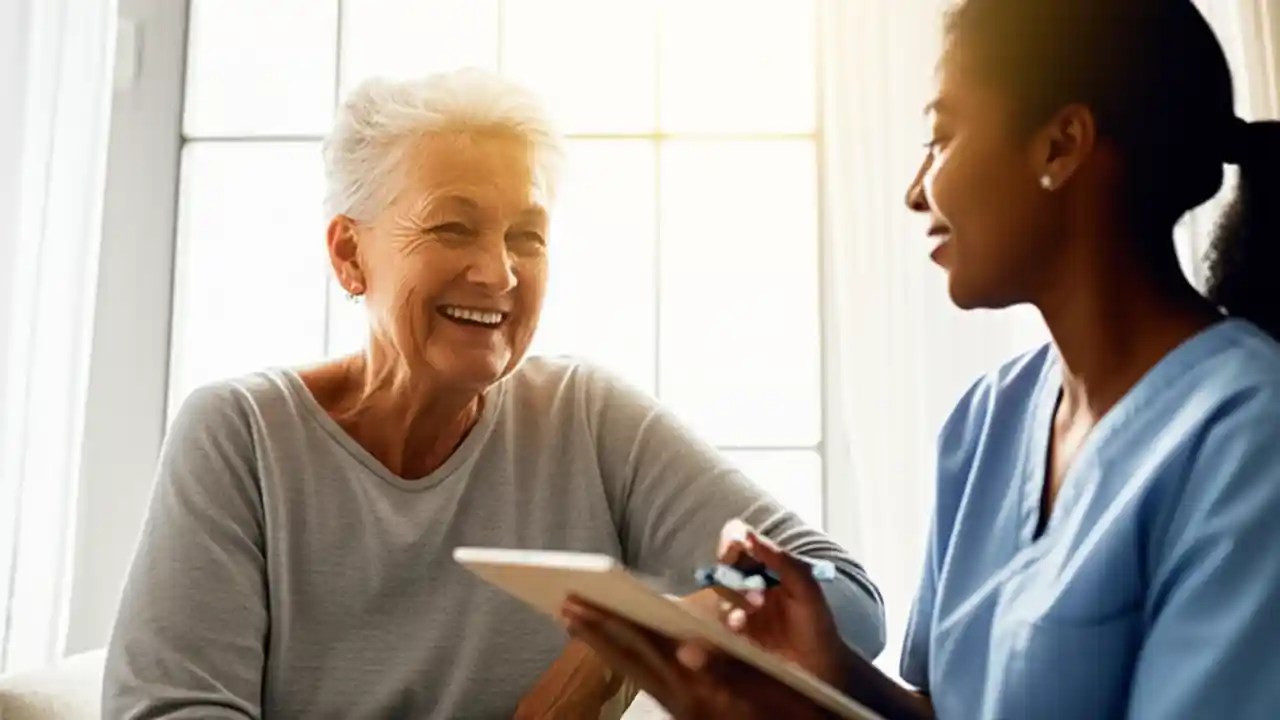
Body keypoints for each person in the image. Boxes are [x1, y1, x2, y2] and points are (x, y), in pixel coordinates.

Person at [562, 0, 1280, 717]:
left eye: (941, 138)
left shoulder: (1248, 436)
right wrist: (827, 671)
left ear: (1060, 146)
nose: (915, 191)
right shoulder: (986, 424)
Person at [101, 69, 885, 719]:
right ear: (350, 254)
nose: (499, 273)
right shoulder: (241, 435)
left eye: (527, 236)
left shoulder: (585, 417)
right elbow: (173, 709)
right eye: (452, 228)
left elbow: (845, 603)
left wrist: (618, 646)